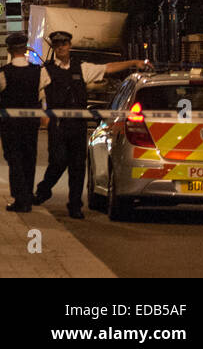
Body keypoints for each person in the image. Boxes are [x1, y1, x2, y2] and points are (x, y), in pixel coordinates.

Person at [32, 31, 147, 219]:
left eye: (64, 43)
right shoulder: (46, 70)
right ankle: (43, 190)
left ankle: (75, 206)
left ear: (69, 45)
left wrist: (133, 63)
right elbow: (34, 94)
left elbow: (107, 68)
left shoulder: (81, 68)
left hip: (77, 126)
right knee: (58, 162)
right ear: (53, 47)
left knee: (78, 167)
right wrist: (42, 115)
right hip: (58, 125)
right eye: (57, 44)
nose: (61, 47)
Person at [0, 33, 41, 212]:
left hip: (10, 125)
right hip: (31, 124)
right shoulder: (39, 72)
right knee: (29, 158)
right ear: (25, 49)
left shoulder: (4, 73)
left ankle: (20, 198)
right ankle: (27, 195)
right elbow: (42, 94)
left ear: (9, 50)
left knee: (14, 158)